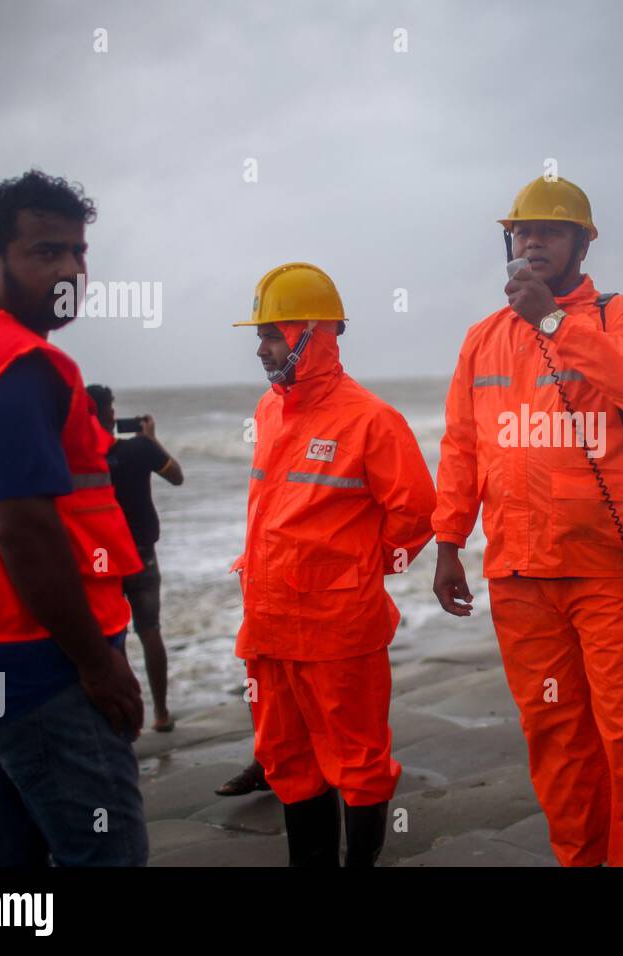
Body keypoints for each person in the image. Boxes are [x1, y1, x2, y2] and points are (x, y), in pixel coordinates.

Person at [432, 176, 623, 867]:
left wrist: (555, 324)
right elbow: (461, 447)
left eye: (550, 231)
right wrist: (447, 541)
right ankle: (580, 858)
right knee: (556, 735)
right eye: (522, 231)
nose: (533, 241)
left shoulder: (618, 314)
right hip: (517, 574)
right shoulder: (482, 340)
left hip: (606, 568)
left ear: (582, 242)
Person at [0, 170, 147, 865]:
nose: (72, 269)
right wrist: (97, 664)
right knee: (105, 856)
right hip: (38, 667)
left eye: (79, 253)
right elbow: (27, 532)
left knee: (5, 876)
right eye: (47, 252)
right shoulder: (20, 363)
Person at [232, 262, 436, 866]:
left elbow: (417, 513)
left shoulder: (371, 419)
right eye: (260, 336)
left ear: (311, 336)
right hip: (268, 627)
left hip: (339, 631)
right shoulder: (269, 412)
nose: (262, 349)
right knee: (287, 759)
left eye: (273, 334)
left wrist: (356, 570)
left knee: (358, 762)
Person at [86, 386, 184, 731]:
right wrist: (152, 440)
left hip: (102, 557)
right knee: (150, 629)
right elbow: (177, 477)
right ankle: (160, 713)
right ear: (110, 414)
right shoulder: (140, 448)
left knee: (116, 634)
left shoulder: (82, 456)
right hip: (142, 553)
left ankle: (126, 718)